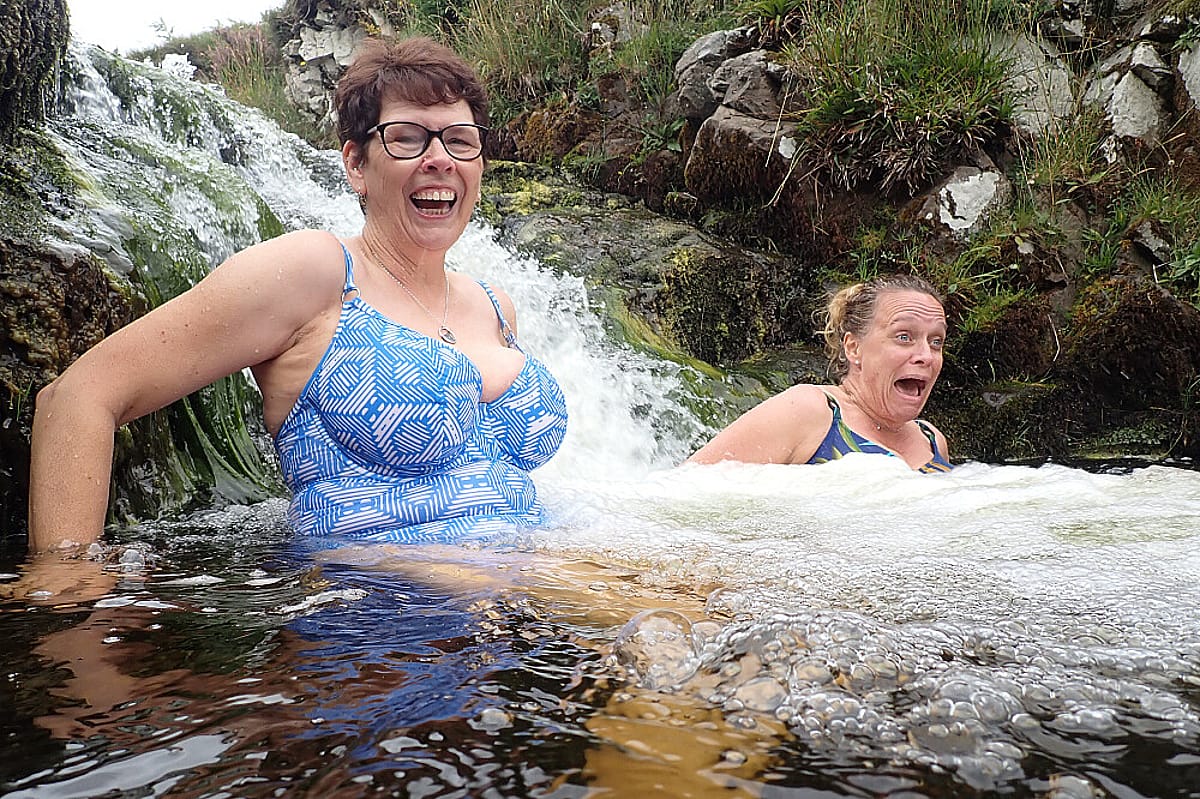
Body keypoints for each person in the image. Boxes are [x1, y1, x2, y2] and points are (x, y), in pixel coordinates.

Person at [28, 36, 568, 553]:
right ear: (356, 164)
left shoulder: (495, 303)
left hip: (509, 622)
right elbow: (78, 398)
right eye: (407, 137)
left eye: (460, 140)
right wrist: (67, 591)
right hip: (377, 622)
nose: (440, 158)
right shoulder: (316, 271)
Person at [687, 274, 951, 472]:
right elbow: (681, 493)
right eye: (904, 337)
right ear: (854, 347)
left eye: (936, 341)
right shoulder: (811, 412)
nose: (926, 356)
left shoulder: (931, 441)